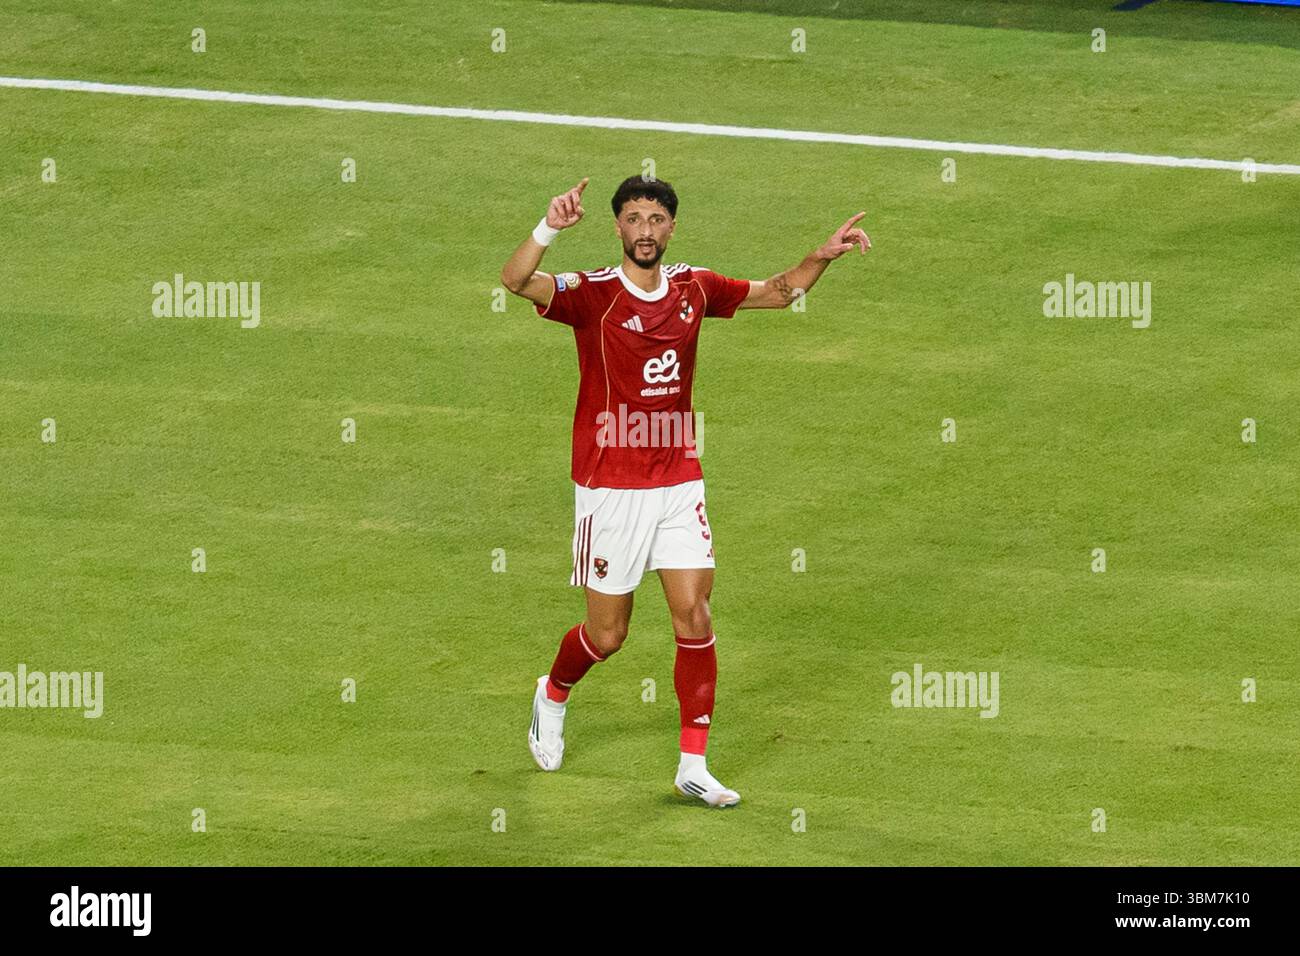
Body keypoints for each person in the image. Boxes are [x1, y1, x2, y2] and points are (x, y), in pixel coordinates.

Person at [500, 174, 870, 807]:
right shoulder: (592, 295)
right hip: (610, 485)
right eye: (634, 219)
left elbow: (778, 294)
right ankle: (553, 692)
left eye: (656, 219)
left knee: (694, 616)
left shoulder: (694, 287)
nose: (645, 230)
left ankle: (693, 764)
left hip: (678, 481)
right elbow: (515, 282)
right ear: (617, 227)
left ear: (671, 228)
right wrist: (548, 228)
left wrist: (821, 256)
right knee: (608, 635)